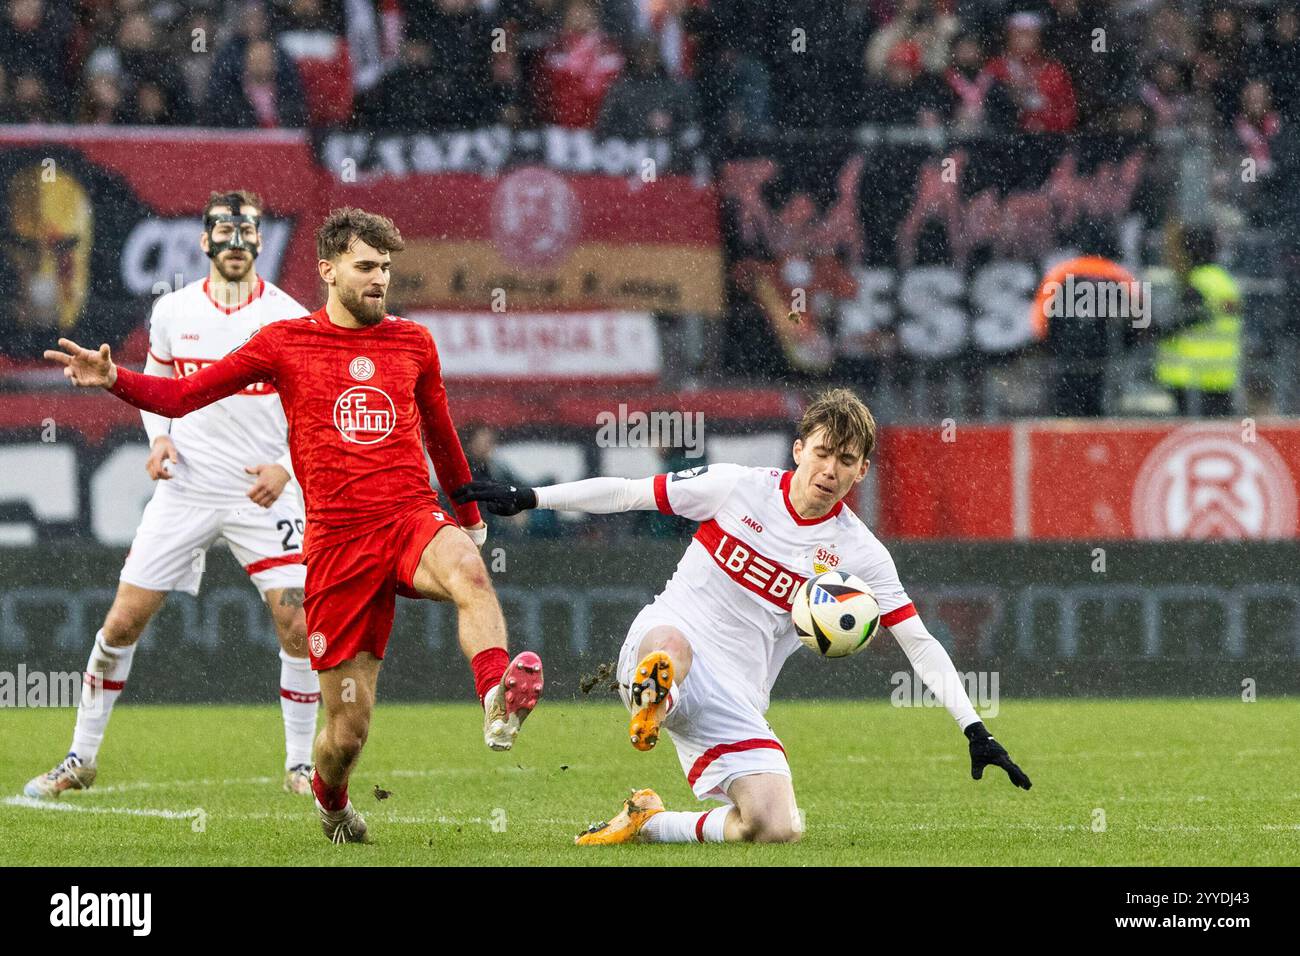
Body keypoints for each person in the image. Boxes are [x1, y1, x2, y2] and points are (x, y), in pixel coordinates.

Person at [44, 207, 544, 845]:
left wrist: (469, 521)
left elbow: (444, 440)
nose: (379, 280)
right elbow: (182, 397)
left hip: (408, 518)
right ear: (329, 271)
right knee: (348, 732)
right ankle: (330, 800)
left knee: (471, 574)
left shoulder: (413, 342)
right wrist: (115, 378)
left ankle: (496, 698)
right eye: (366, 267)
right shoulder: (286, 341)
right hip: (337, 548)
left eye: (386, 269)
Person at [455, 388, 1030, 846]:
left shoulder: (861, 555)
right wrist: (532, 498)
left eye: (846, 461)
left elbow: (919, 642)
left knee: (776, 826)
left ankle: (649, 822)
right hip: (669, 637)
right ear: (799, 448)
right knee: (669, 649)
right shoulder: (735, 487)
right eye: (823, 451)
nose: (830, 469)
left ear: (860, 473)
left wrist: (974, 728)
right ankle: (655, 694)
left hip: (735, 696)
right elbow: (631, 492)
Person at [25, 190, 320, 800]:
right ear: (205, 240)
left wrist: (287, 468)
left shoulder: (291, 319)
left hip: (261, 493)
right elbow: (158, 381)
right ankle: (79, 757)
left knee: (297, 622)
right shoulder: (173, 311)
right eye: (223, 231)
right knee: (122, 622)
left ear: (260, 242)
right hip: (187, 487)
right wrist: (158, 439)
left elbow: (313, 410)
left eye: (247, 233)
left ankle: (300, 767)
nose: (235, 243)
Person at [1154, 225, 1243, 417]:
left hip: (1192, 377)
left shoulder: (1197, 283)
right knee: (1216, 438)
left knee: (1195, 437)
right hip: (1219, 375)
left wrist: (1150, 329)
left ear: (1188, 251)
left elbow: (1178, 322)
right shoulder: (1223, 281)